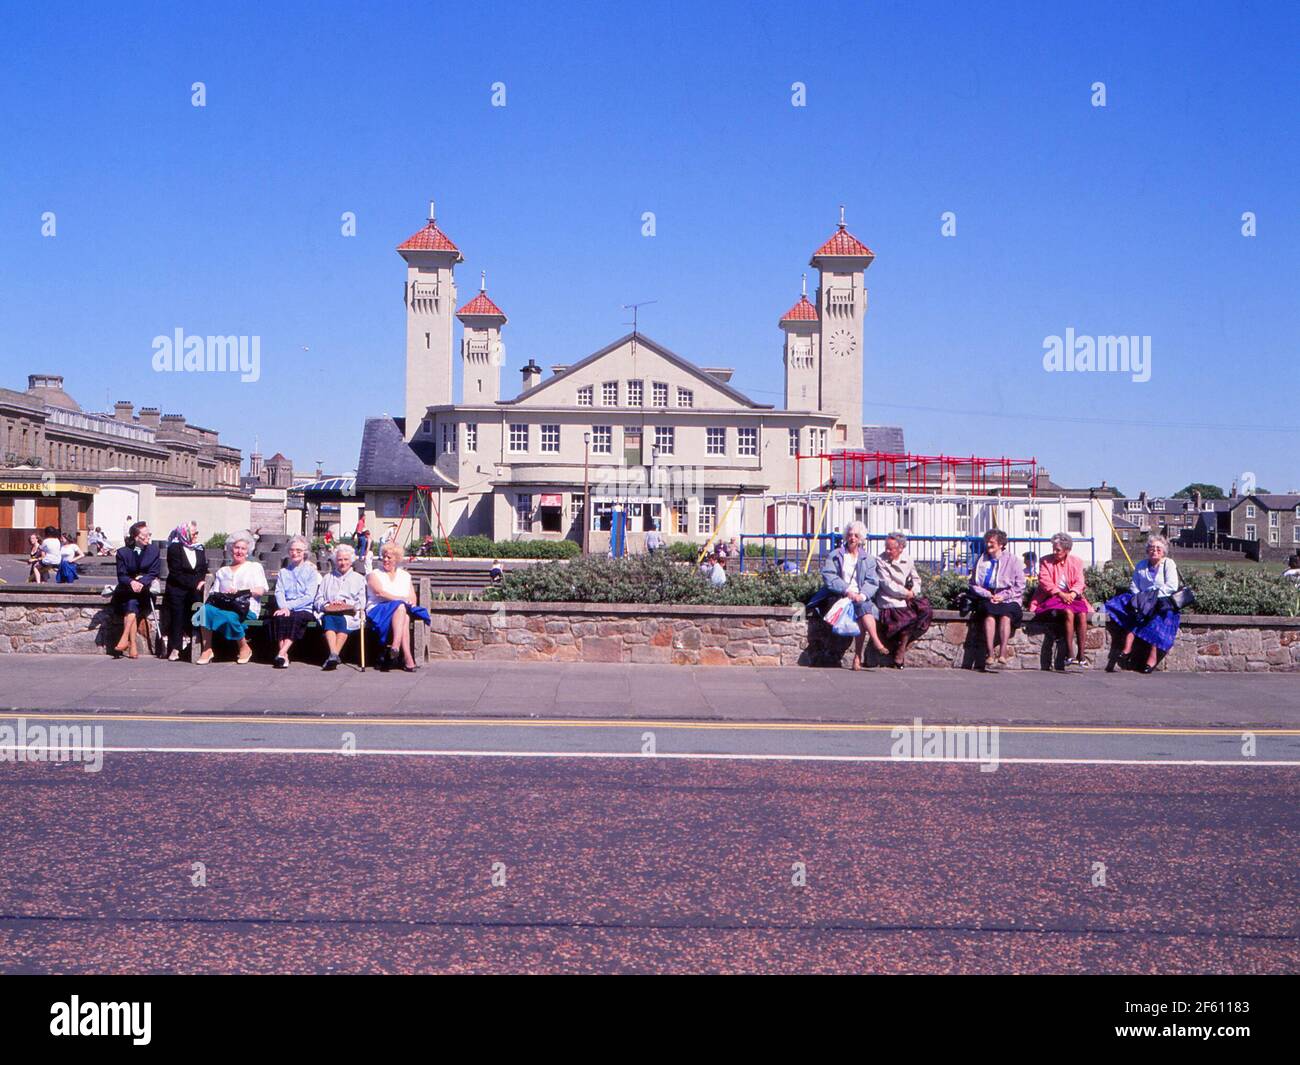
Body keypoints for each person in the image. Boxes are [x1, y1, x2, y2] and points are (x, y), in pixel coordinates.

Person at [1104, 535, 1184, 674]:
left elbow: (1171, 585)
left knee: (1158, 622)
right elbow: (1134, 585)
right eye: (1152, 548)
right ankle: (1126, 649)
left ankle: (1151, 658)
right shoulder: (1141, 565)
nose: (1155, 551)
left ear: (1163, 551)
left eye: (1158, 548)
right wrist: (1141, 598)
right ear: (1147, 551)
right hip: (1143, 599)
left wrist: (1152, 597)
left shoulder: (1168, 564)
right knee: (1133, 612)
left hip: (1162, 601)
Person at [819, 520, 889, 670]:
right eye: (850, 535)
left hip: (859, 597)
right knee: (863, 610)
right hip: (841, 597)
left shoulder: (868, 559)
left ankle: (859, 656)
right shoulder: (835, 555)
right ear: (846, 536)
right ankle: (870, 646)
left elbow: (872, 581)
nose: (852, 538)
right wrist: (846, 591)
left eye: (856, 536)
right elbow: (829, 576)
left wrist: (862, 595)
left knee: (862, 608)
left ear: (861, 539)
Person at [196, 534, 268, 664]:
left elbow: (261, 590)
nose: (239, 551)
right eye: (236, 548)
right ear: (231, 550)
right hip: (225, 606)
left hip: (246, 608)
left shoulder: (254, 567)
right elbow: (214, 593)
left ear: (248, 551)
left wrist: (240, 592)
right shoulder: (222, 571)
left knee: (230, 617)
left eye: (243, 549)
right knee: (204, 611)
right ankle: (207, 649)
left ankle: (243, 647)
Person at [1030, 532, 1091, 668]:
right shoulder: (1045, 561)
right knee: (1069, 613)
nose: (1054, 552)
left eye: (1058, 549)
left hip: (1071, 596)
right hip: (1053, 597)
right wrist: (1061, 594)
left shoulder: (1076, 562)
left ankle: (1081, 655)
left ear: (1067, 550)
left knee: (1082, 614)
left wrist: (1073, 594)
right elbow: (1045, 581)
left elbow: (1080, 581)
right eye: (1054, 548)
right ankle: (1069, 654)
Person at [968, 529, 1026, 670]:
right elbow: (973, 584)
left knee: (1006, 616)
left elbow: (1021, 585)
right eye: (987, 542)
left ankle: (1003, 652)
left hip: (1009, 597)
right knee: (989, 615)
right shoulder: (982, 560)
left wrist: (1004, 596)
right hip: (988, 595)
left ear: (1000, 544)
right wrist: (988, 594)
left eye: (992, 542)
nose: (988, 545)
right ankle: (990, 653)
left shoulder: (1013, 560)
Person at [874, 532, 933, 668]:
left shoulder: (908, 559)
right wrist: (906, 593)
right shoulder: (880, 560)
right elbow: (887, 584)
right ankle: (900, 652)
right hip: (889, 599)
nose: (887, 551)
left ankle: (902, 644)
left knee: (925, 611)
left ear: (901, 548)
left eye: (891, 548)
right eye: (886, 548)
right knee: (908, 617)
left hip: (907, 596)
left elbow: (916, 578)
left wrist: (914, 591)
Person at [366, 542, 426, 671]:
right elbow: (379, 593)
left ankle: (397, 649)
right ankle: (406, 656)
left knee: (403, 612)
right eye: (384, 557)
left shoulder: (405, 576)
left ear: (397, 559)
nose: (386, 560)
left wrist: (406, 601)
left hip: (400, 611)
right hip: (378, 609)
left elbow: (412, 597)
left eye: (389, 557)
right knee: (401, 609)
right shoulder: (374, 574)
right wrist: (401, 599)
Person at [110, 521, 161, 658]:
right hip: (127, 590)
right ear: (135, 537)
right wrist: (132, 582)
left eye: (148, 535)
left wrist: (141, 582)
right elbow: (122, 575)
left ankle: (125, 638)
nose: (147, 538)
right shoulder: (123, 553)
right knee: (131, 603)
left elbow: (154, 572)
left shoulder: (154, 550)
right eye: (144, 536)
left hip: (145, 590)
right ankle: (132, 644)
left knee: (132, 605)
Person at [270, 535, 321, 669]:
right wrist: (283, 607)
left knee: (295, 617)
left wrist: (289, 607)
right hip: (284, 608)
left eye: (299, 550)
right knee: (278, 618)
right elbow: (279, 592)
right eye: (292, 550)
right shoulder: (283, 572)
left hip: (304, 608)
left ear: (305, 553)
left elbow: (309, 596)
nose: (295, 553)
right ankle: (284, 657)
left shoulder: (311, 572)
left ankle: (281, 652)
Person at [315, 544, 367, 670]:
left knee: (342, 620)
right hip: (330, 612)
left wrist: (347, 604)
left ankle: (333, 655)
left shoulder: (359, 579)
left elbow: (362, 602)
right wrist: (327, 604)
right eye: (339, 560)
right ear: (335, 561)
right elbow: (318, 599)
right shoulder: (327, 578)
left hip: (350, 613)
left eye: (346, 559)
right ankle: (334, 655)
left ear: (351, 561)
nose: (343, 563)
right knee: (329, 619)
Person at [164, 522, 208, 661]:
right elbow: (176, 573)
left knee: (196, 615)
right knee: (177, 616)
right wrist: (194, 583)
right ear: (185, 534)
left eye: (197, 533)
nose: (196, 536)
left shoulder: (199, 549)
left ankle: (195, 645)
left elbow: (201, 569)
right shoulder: (175, 548)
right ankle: (175, 648)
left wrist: (201, 581)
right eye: (194, 533)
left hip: (194, 590)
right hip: (178, 588)